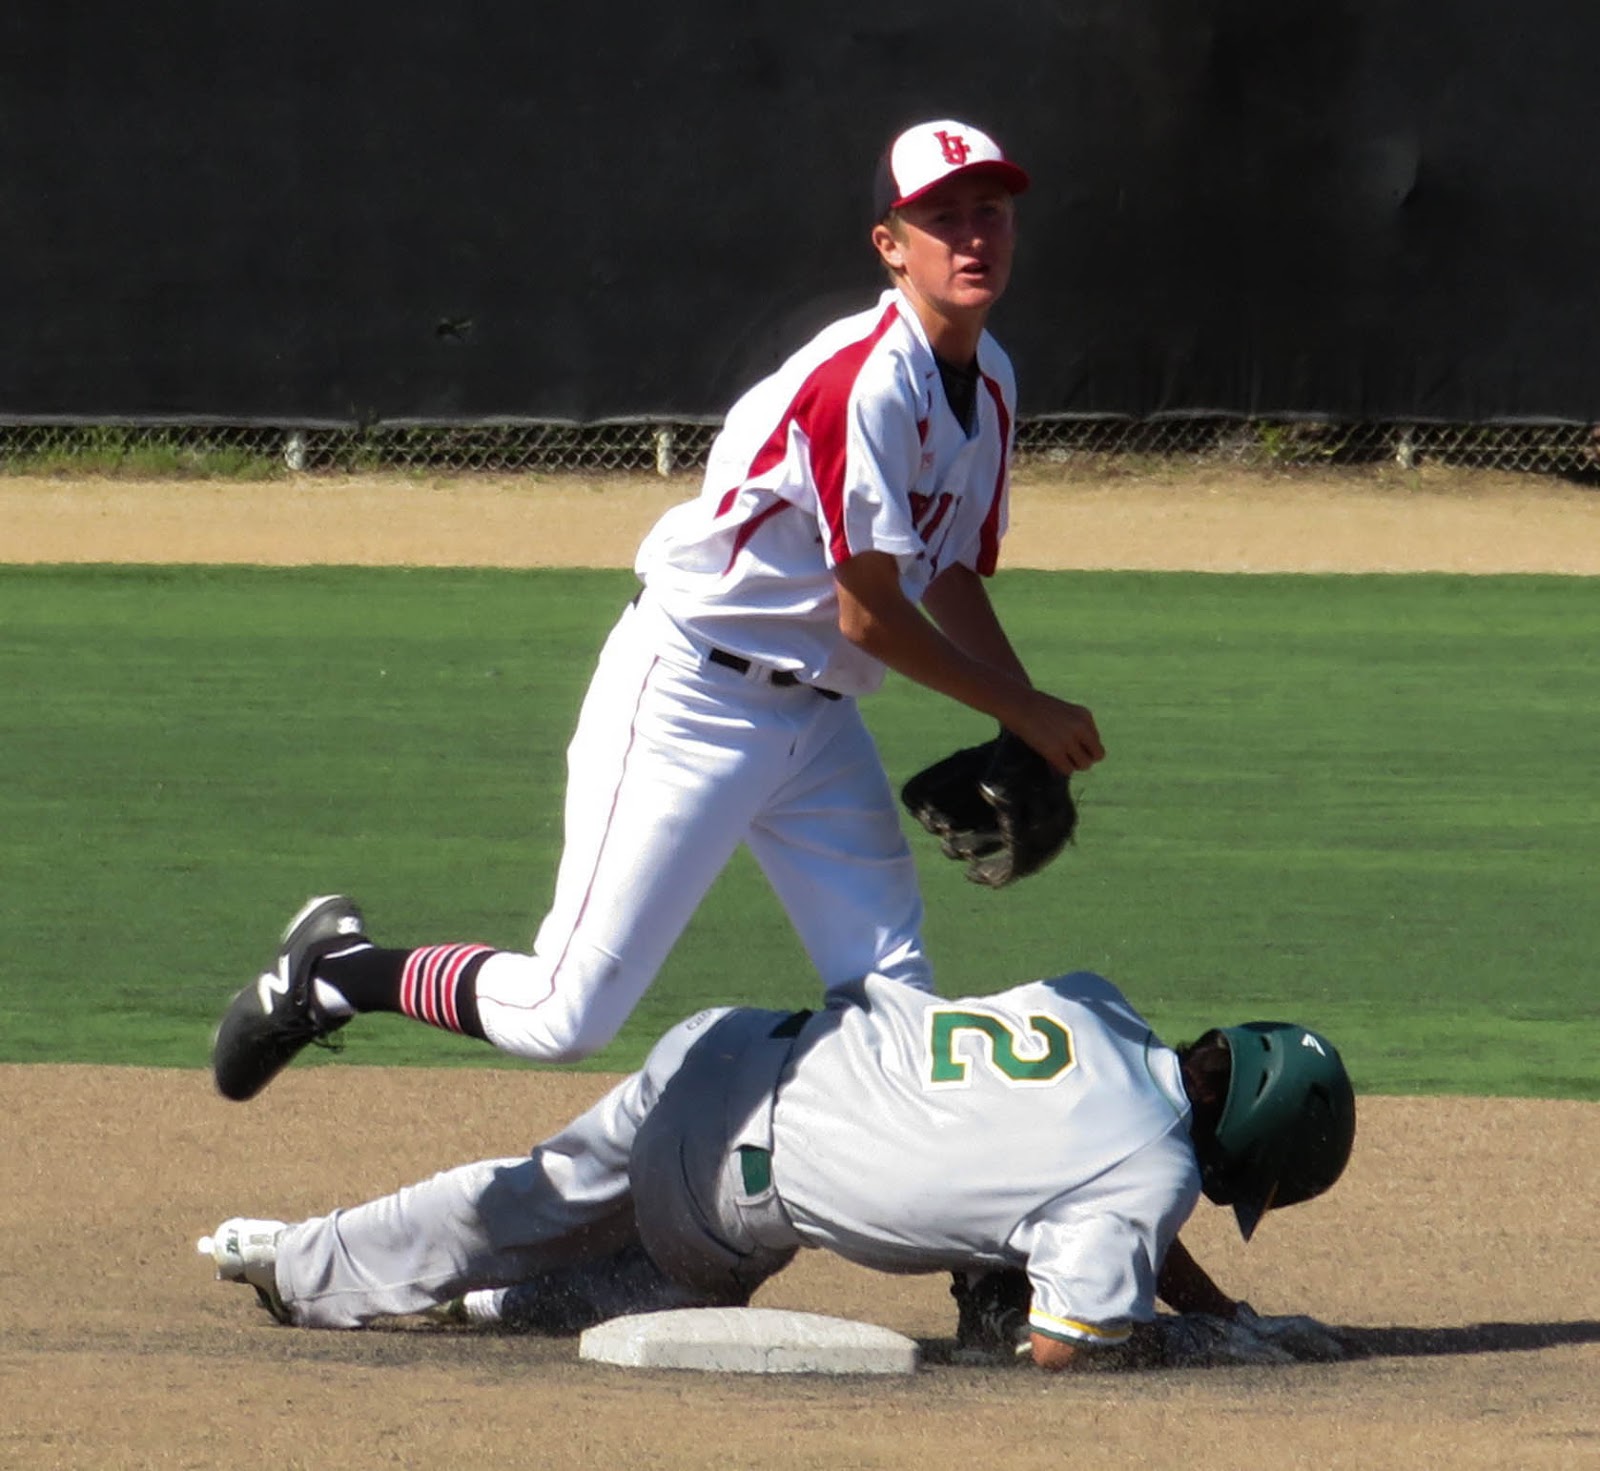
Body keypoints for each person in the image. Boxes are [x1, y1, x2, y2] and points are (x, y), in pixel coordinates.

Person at [210, 117, 1105, 1102]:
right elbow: (871, 618)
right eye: (944, 218)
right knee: (563, 1015)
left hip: (817, 721)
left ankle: (892, 1193)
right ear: (891, 246)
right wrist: (1024, 711)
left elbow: (945, 570)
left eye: (991, 211)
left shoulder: (992, 379)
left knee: (894, 998)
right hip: (691, 698)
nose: (973, 235)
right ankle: (335, 971)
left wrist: (1017, 717)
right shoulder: (863, 382)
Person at [198, 968, 1356, 1370]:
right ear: (1249, 1146)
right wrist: (1192, 1339)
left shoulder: (1097, 1010)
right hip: (726, 1193)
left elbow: (1100, 1178)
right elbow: (1066, 1344)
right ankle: (497, 1302)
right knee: (655, 1291)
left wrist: (1215, 1300)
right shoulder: (1146, 1179)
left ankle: (296, 1255)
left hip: (724, 1043)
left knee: (533, 1191)